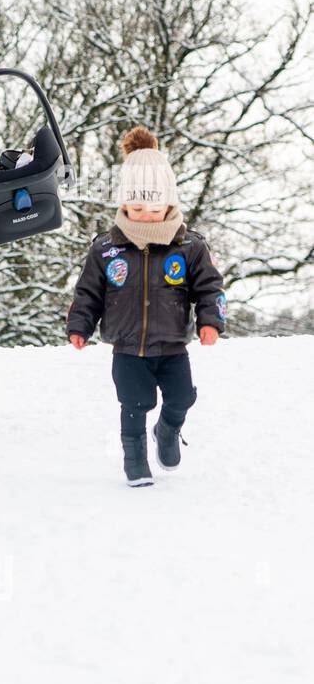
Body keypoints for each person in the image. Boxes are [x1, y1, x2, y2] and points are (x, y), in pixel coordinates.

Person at [66, 127, 225, 487]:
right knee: (134, 405)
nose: (146, 215)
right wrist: (80, 326)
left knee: (182, 397)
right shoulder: (107, 249)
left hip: (171, 345)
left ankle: (167, 431)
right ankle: (135, 460)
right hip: (127, 348)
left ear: (169, 204)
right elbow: (88, 292)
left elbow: (210, 287)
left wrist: (210, 321)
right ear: (123, 204)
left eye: (155, 208)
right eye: (137, 208)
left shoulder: (189, 247)